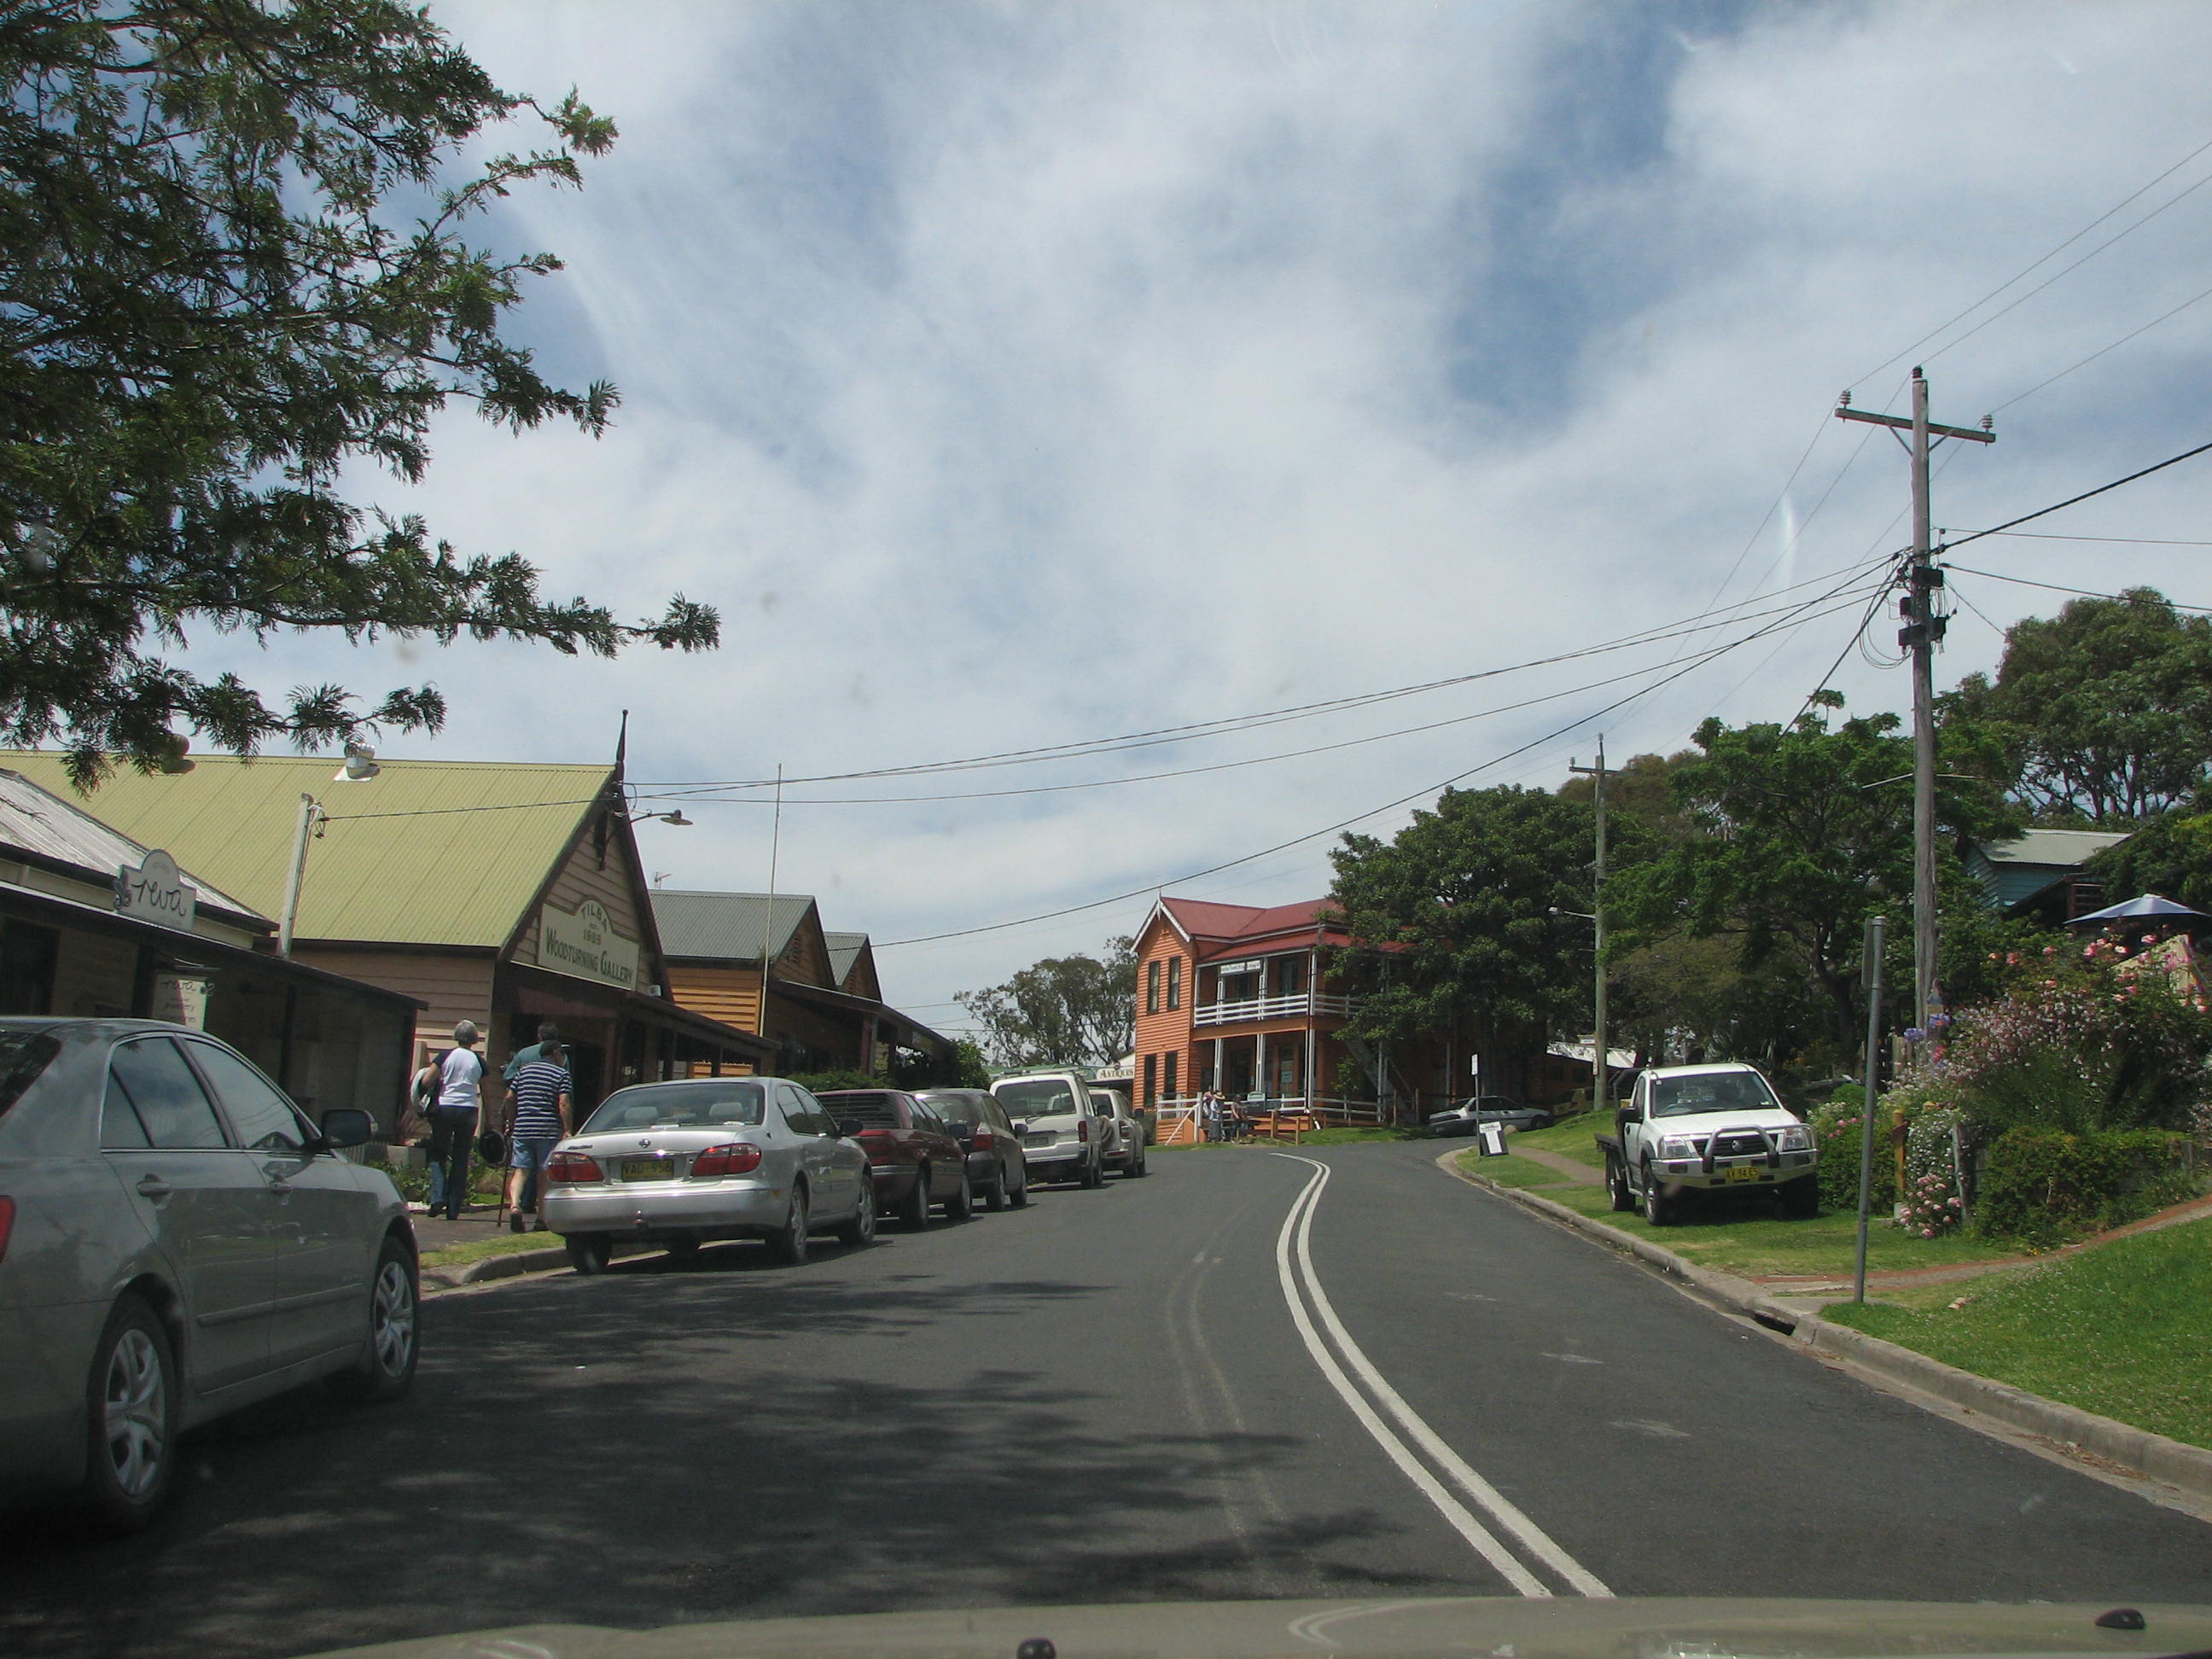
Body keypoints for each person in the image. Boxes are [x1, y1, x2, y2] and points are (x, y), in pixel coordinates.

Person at [504, 1038, 573, 1232]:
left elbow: (510, 1097)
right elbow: (564, 1103)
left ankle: (515, 1206)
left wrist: (512, 1121)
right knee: (544, 1174)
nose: (564, 1058)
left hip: (523, 1128)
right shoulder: (561, 1074)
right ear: (555, 1054)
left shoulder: (524, 1071)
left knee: (521, 1170)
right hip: (547, 1130)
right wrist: (567, 1129)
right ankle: (541, 1218)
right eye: (562, 1053)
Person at [418, 1021, 486, 1221]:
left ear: (456, 1036)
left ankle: (437, 1197)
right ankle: (454, 1208)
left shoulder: (445, 1056)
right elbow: (487, 1091)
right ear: (474, 1039)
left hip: (446, 1108)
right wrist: (490, 1117)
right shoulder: (478, 1060)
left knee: (438, 1152)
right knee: (460, 1158)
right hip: (469, 1110)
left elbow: (427, 1081)